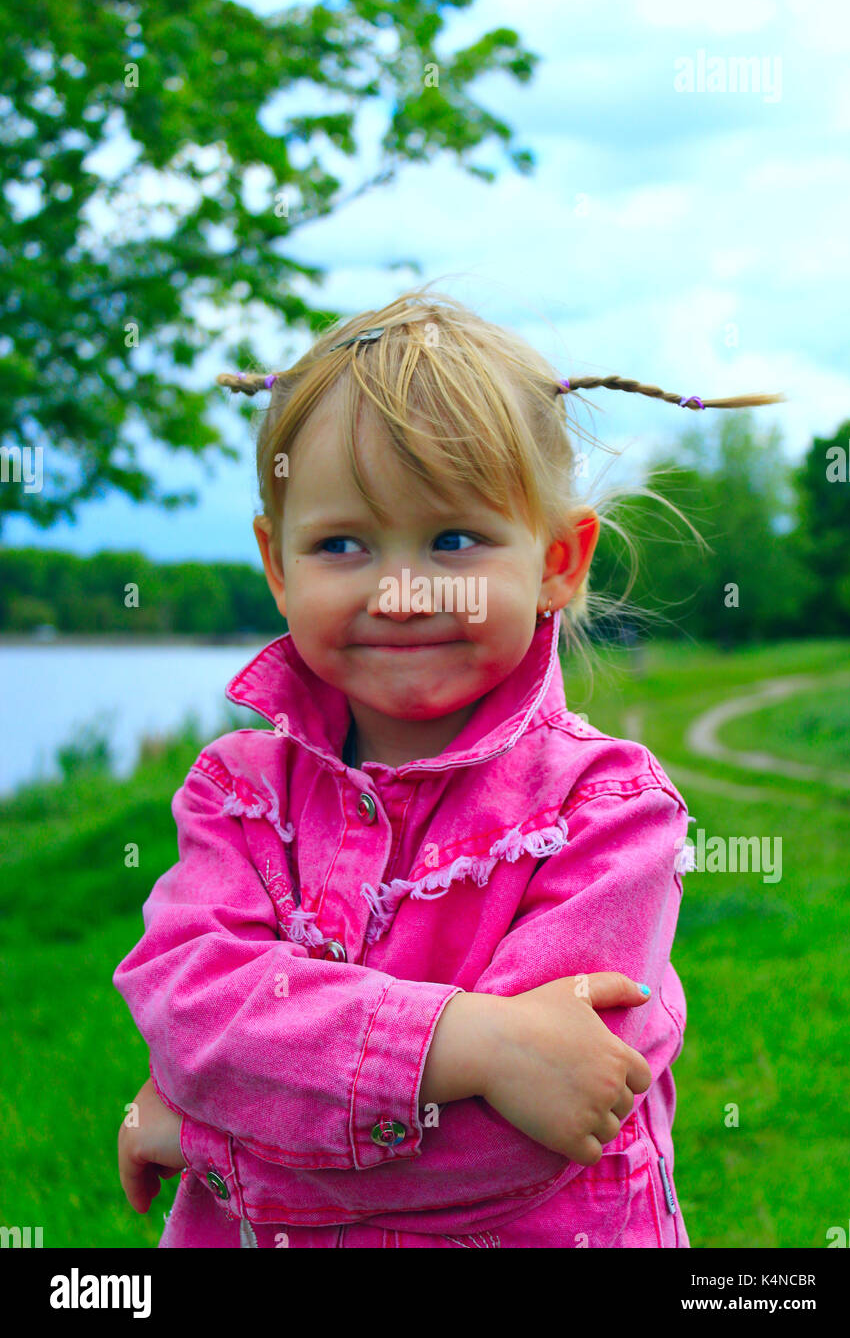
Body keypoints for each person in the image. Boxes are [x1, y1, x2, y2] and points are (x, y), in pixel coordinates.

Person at [113, 284, 782, 1248]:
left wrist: (211, 1133)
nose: (400, 589)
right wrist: (471, 1045)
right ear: (276, 564)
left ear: (559, 558)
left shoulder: (610, 813)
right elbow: (191, 1008)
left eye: (453, 540)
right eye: (341, 543)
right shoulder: (239, 796)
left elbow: (525, 1138)